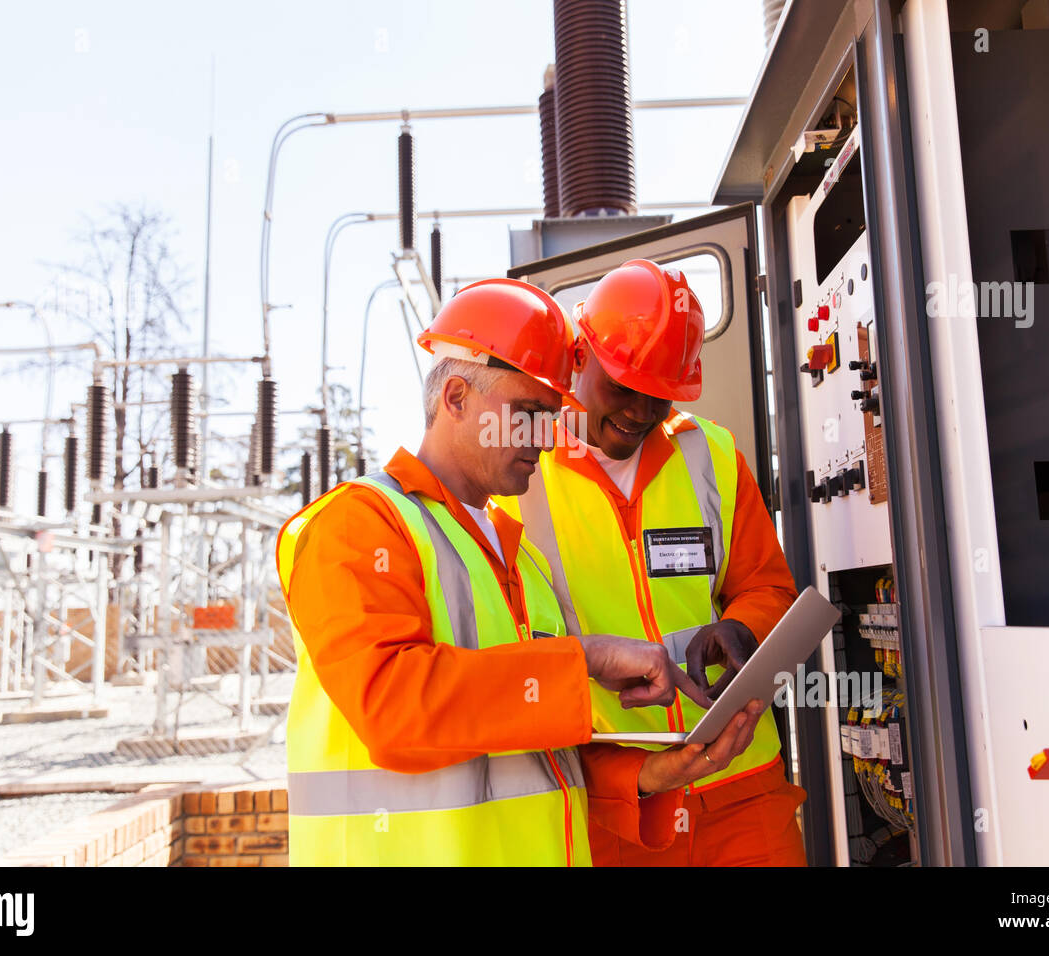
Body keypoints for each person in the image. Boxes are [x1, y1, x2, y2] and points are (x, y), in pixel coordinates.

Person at [277, 276, 764, 866]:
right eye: (529, 413)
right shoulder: (360, 524)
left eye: (554, 414)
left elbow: (537, 750)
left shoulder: (519, 561)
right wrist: (583, 660)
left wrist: (652, 772)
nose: (546, 435)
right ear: (456, 397)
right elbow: (392, 708)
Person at [496, 259, 808, 866]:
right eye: (624, 385)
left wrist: (742, 628)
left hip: (742, 789)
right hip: (616, 804)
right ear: (579, 357)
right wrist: (631, 778)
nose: (641, 410)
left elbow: (767, 585)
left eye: (660, 394)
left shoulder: (712, 455)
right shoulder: (515, 478)